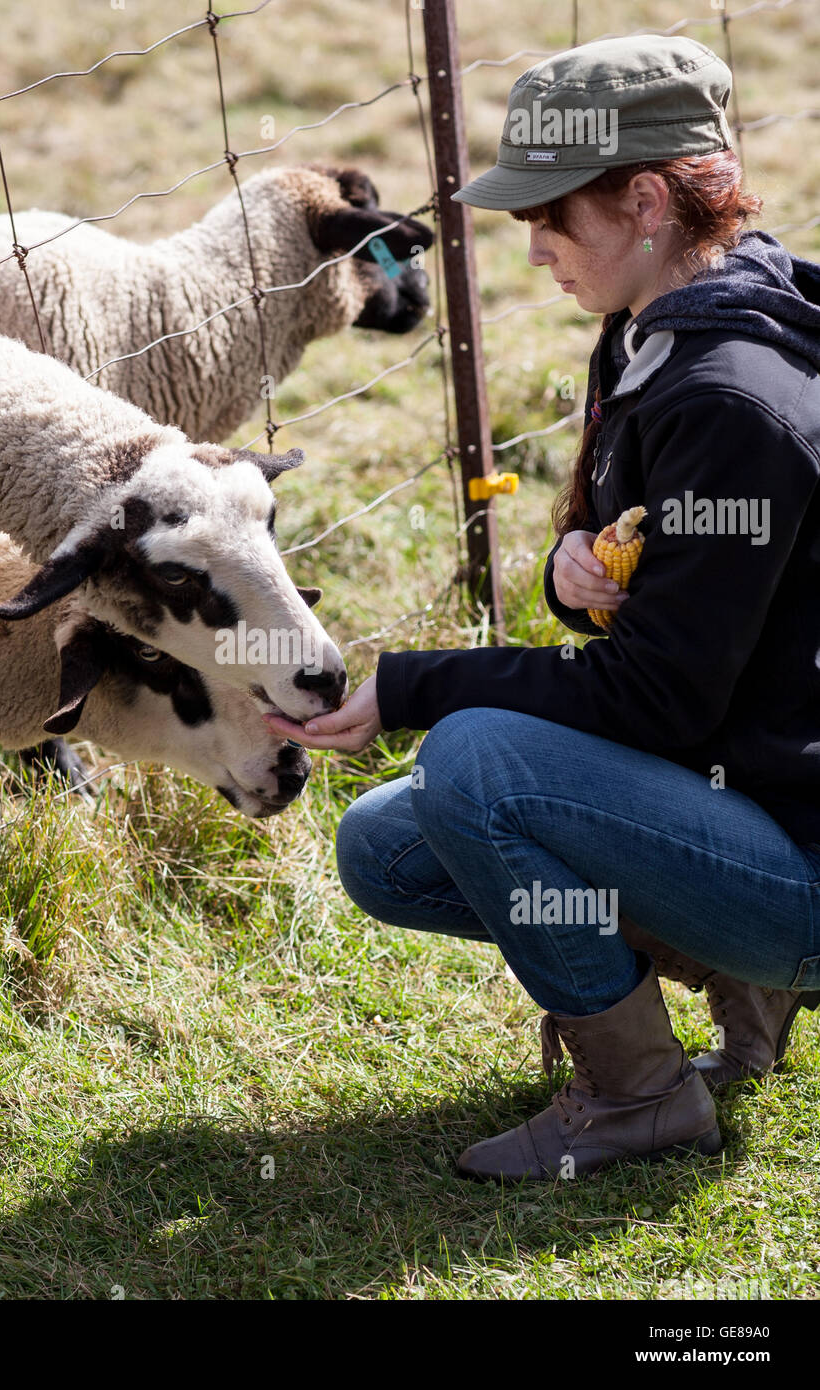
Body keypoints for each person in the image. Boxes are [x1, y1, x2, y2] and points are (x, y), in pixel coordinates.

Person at [262, 34, 820, 1182]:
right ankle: (733, 980)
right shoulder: (650, 335)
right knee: (386, 847)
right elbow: (666, 606)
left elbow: (657, 695)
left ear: (648, 200)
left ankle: (642, 1097)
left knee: (476, 762)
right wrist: (580, 567)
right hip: (734, 785)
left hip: (798, 855)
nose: (533, 253)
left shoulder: (734, 399)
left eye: (551, 219)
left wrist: (415, 685)